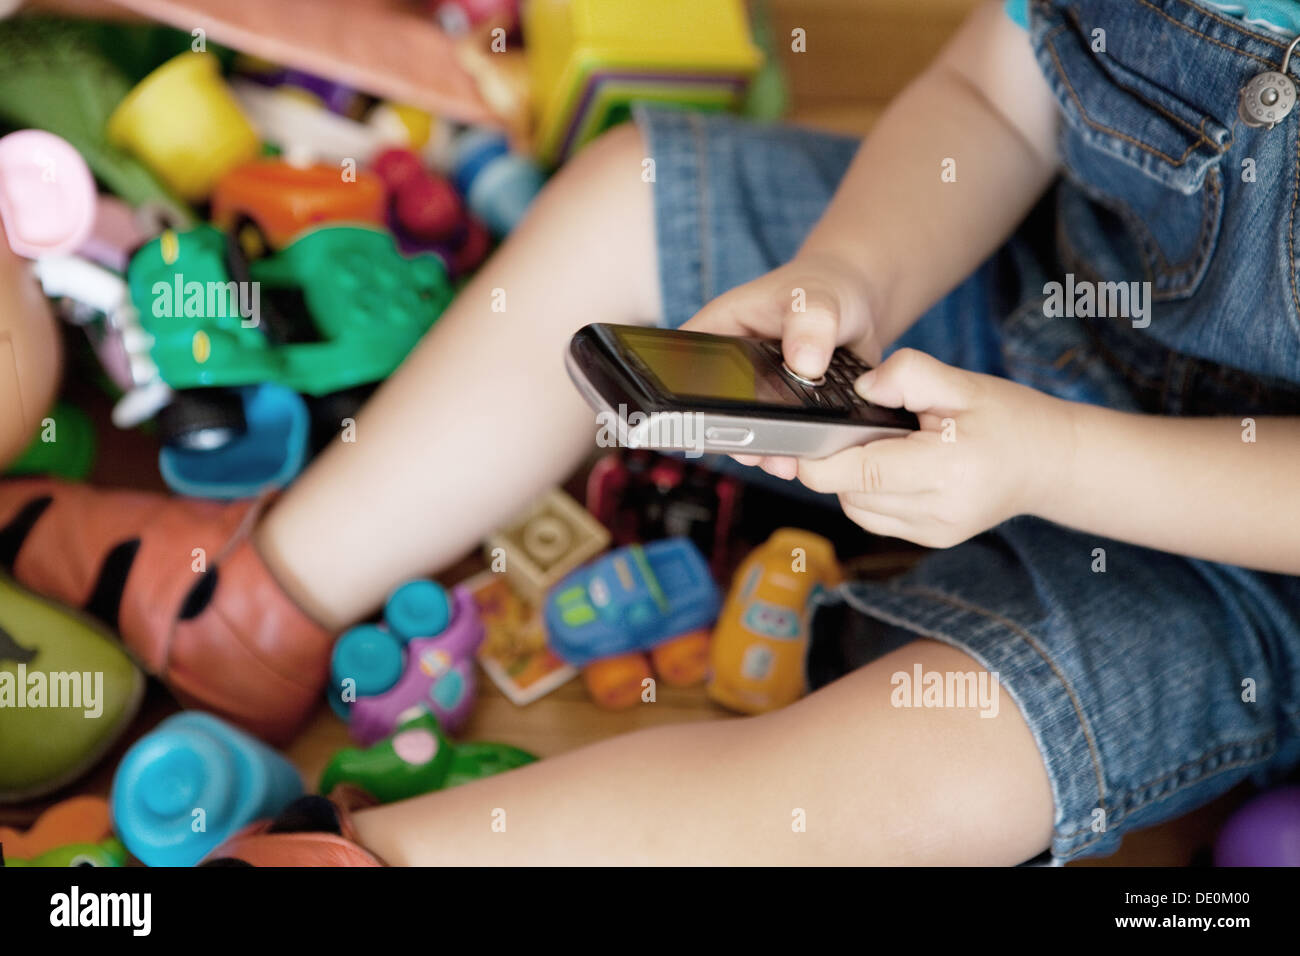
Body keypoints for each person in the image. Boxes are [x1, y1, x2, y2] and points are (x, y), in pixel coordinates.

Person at [3, 0, 1299, 863]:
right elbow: (993, 100)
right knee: (635, 193)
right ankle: (258, 600)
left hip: (1246, 559)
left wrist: (1052, 460)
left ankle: (376, 855)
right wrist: (851, 272)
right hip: (1037, 286)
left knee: (941, 773)